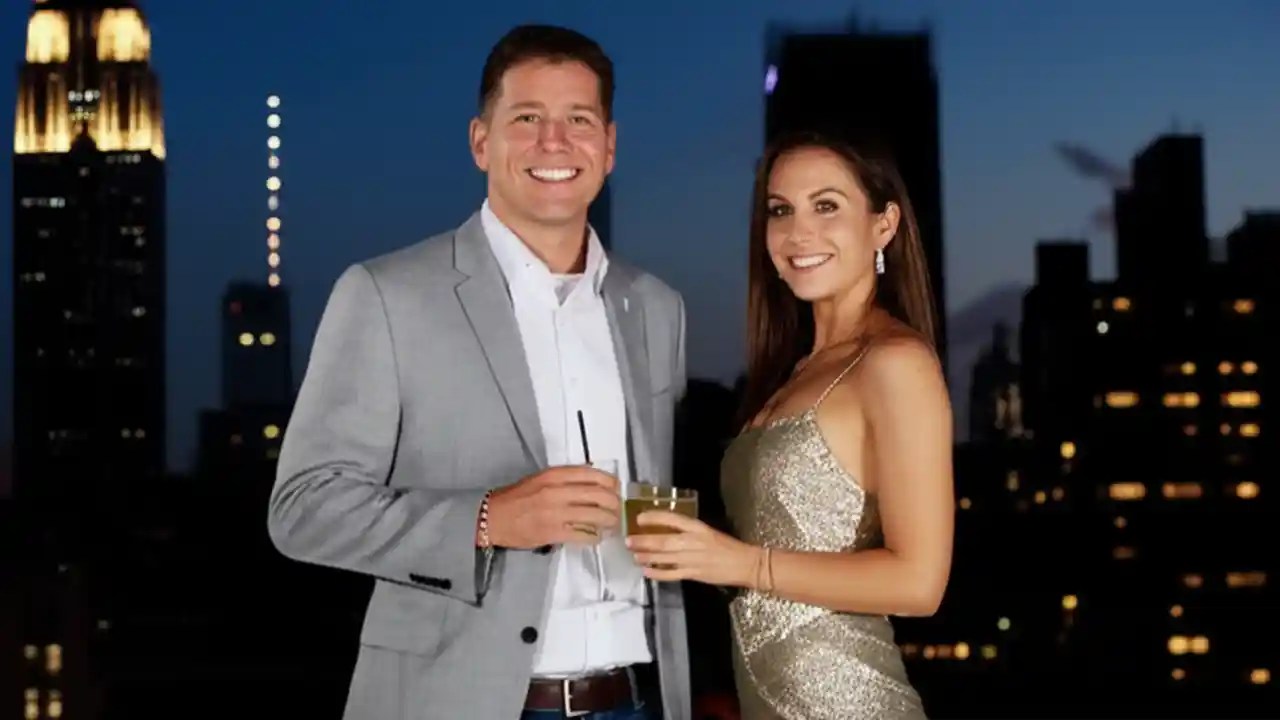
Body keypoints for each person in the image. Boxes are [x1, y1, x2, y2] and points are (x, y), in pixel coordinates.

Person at [268, 24, 691, 720]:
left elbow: (657, 501)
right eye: (527, 119)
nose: (554, 142)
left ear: (609, 146)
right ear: (480, 141)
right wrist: (489, 519)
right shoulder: (387, 295)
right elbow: (302, 509)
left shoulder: (656, 307)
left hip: (637, 699)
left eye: (578, 120)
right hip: (459, 700)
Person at [626, 131, 953, 719]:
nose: (799, 232)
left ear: (884, 225)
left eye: (826, 206)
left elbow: (919, 584)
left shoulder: (895, 362)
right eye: (781, 211)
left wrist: (738, 563)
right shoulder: (793, 371)